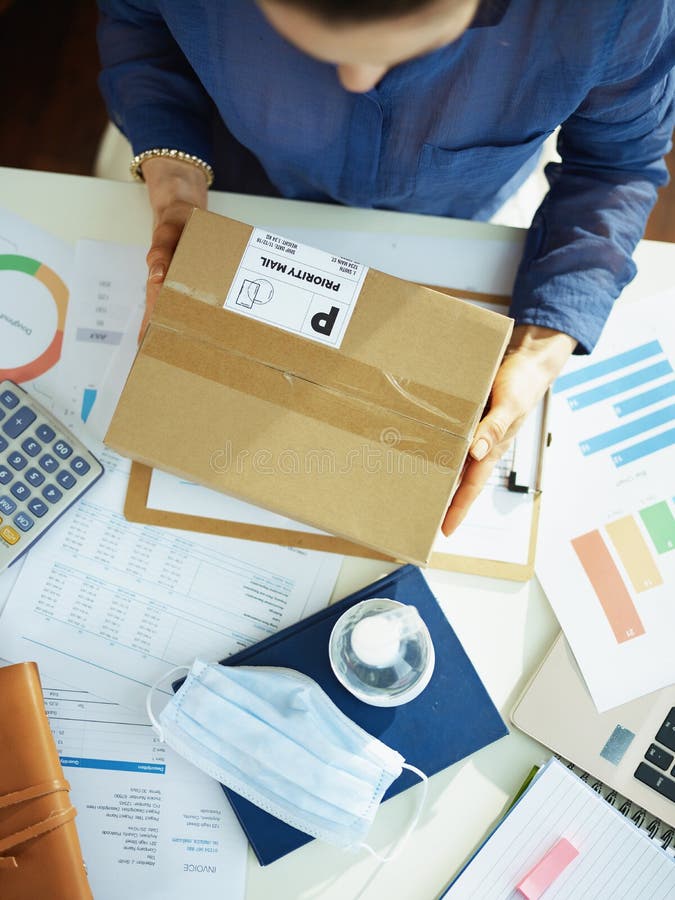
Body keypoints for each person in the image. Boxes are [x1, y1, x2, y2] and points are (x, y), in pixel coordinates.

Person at [96, 0, 675, 534]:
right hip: (236, 186)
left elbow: (618, 164)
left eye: (410, 48)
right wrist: (174, 172)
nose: (357, 80)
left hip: (458, 227)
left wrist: (545, 338)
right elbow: (140, 27)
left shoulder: (616, 10)